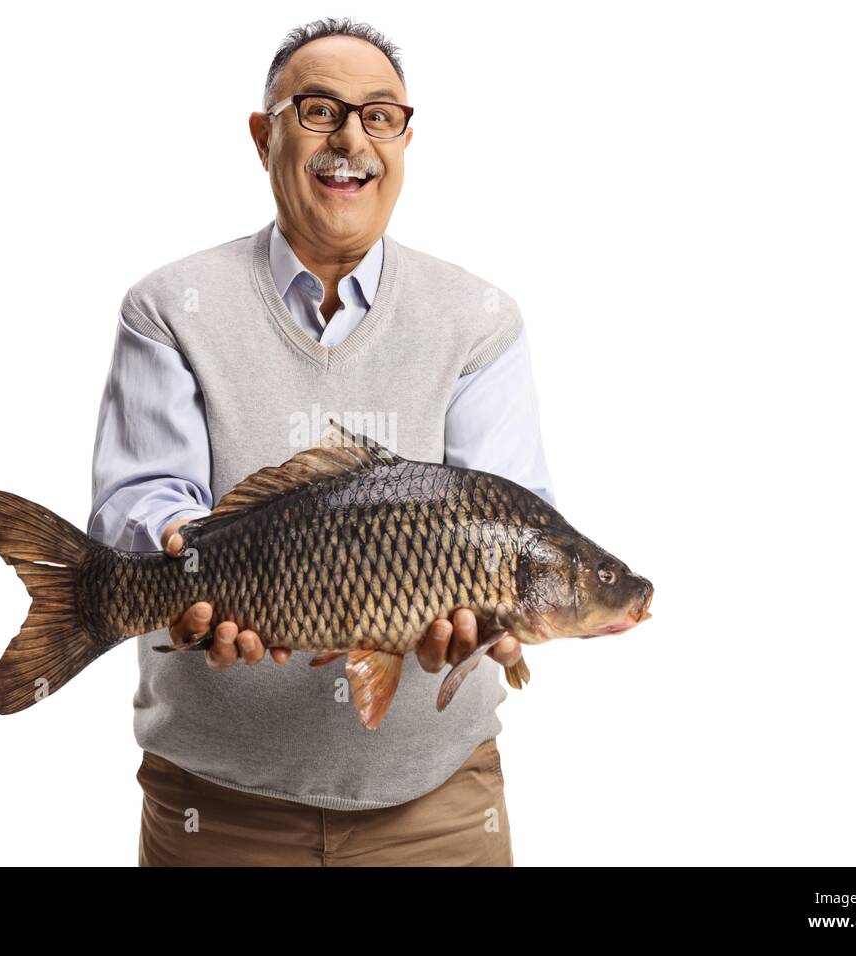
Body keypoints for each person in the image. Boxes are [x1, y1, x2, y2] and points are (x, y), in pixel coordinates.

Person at [88, 17, 556, 866]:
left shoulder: (479, 319)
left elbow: (506, 503)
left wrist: (494, 624)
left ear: (406, 138)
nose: (352, 141)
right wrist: (183, 551)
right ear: (264, 135)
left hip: (439, 805)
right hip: (213, 801)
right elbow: (140, 497)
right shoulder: (167, 304)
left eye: (381, 116)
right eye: (317, 111)